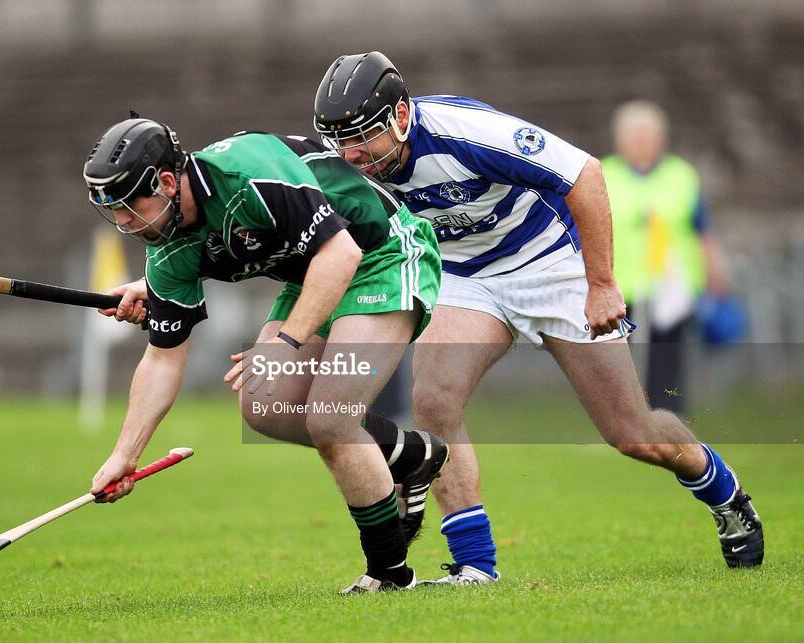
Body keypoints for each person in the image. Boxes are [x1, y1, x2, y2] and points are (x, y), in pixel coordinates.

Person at [312, 52, 764, 584]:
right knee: (434, 401)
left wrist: (600, 283)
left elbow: (585, 174)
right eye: (340, 140)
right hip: (464, 274)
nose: (353, 153)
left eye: (364, 136)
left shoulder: (467, 132)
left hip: (550, 265)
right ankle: (475, 566)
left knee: (632, 434)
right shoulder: (351, 168)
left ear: (402, 116)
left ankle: (725, 494)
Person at [82, 117, 447, 593]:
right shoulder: (167, 251)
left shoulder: (249, 172)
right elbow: (162, 358)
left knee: (331, 418)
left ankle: (390, 575)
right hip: (313, 279)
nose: (126, 223)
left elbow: (340, 255)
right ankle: (410, 455)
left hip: (381, 253)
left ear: (168, 182)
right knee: (264, 407)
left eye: (132, 206)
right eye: (115, 212)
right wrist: (124, 455)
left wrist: (284, 343)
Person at [602, 100, 731, 413]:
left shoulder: (681, 175)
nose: (641, 140)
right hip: (619, 285)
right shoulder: (603, 172)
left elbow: (702, 228)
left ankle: (667, 420)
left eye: (647, 133)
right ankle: (624, 418)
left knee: (667, 358)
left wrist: (716, 271)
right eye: (634, 133)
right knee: (618, 360)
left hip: (670, 284)